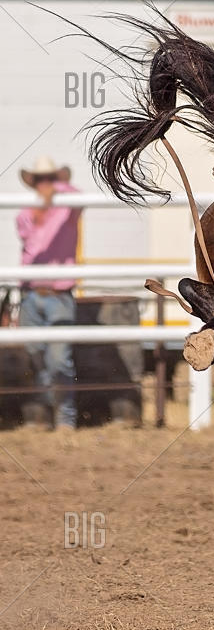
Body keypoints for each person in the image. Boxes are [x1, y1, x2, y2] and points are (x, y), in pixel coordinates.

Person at [16, 155, 80, 430]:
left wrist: (58, 191)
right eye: (41, 180)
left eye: (49, 179)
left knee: (59, 360)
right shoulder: (27, 212)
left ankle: (65, 418)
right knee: (36, 358)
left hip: (58, 295)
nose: (45, 185)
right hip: (30, 294)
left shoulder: (67, 205)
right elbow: (28, 239)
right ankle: (43, 417)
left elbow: (77, 196)